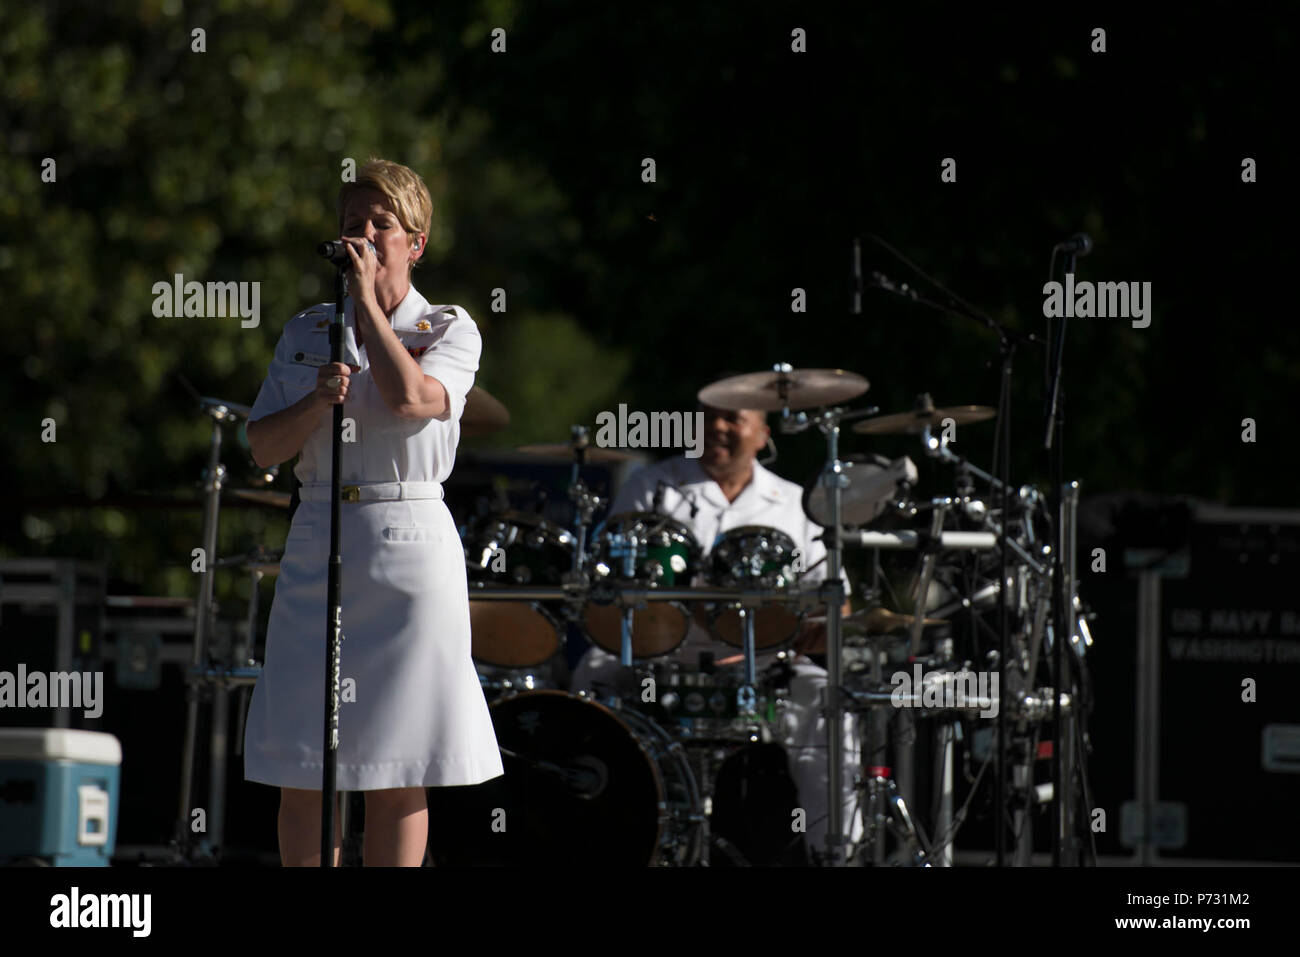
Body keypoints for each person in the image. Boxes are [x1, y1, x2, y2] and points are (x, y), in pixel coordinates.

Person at [242, 158, 502, 866]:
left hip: (407, 543)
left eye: (380, 226)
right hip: (318, 533)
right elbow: (261, 442)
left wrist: (368, 310)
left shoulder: (449, 326)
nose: (362, 237)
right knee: (306, 763)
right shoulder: (304, 330)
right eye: (351, 224)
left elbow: (413, 399)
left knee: (396, 764)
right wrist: (313, 400)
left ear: (414, 242)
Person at [570, 403, 862, 862]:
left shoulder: (797, 502)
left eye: (734, 418)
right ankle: (592, 843)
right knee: (591, 677)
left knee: (831, 706)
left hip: (765, 668)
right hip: (658, 658)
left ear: (763, 434)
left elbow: (835, 599)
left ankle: (837, 852)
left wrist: (816, 629)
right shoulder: (652, 486)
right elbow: (607, 583)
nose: (719, 428)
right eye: (709, 418)